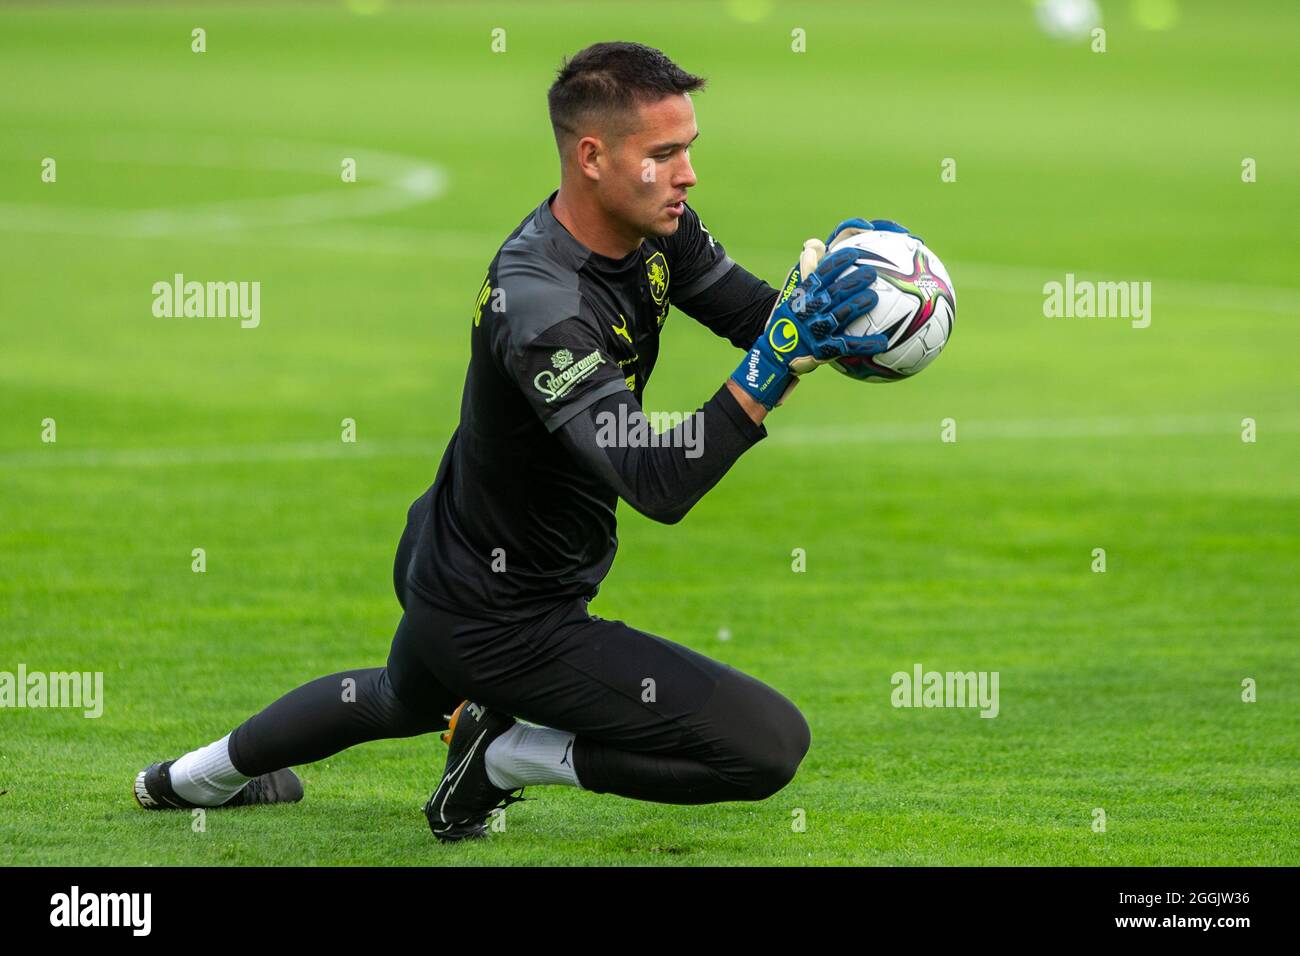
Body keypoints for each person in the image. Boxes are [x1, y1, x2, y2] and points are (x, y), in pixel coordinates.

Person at [133, 40, 905, 842]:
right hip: (504, 617)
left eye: (690, 150)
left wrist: (838, 310)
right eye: (665, 154)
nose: (687, 175)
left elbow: (759, 321)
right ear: (592, 155)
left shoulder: (655, 228)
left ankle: (186, 780)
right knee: (765, 746)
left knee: (401, 698)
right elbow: (657, 482)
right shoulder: (542, 305)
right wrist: (775, 367)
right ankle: (503, 757)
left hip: (452, 561)